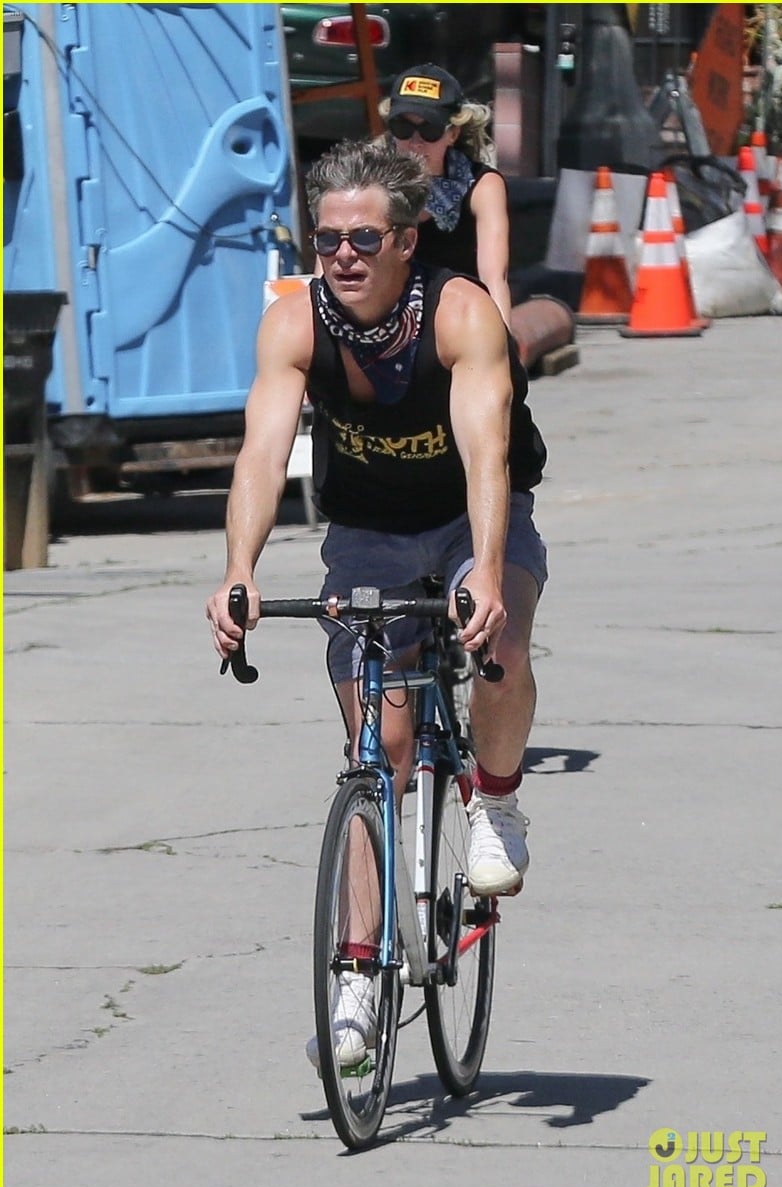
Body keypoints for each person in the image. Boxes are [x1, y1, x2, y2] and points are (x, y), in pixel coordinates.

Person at [206, 140, 547, 1067]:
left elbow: (486, 455)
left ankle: (496, 801)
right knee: (375, 756)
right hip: (367, 531)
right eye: (327, 241)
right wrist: (239, 568)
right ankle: (357, 972)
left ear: (406, 240)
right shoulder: (295, 322)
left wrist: (484, 569)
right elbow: (261, 453)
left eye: (363, 239)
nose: (343, 257)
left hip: (471, 513)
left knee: (503, 640)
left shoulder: (460, 313)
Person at [378, 63, 512, 323]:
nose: (415, 142)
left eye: (430, 130)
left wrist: (502, 341)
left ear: (453, 133)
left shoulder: (482, 185)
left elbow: (495, 278)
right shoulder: (367, 181)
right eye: (403, 128)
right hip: (383, 322)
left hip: (458, 318)